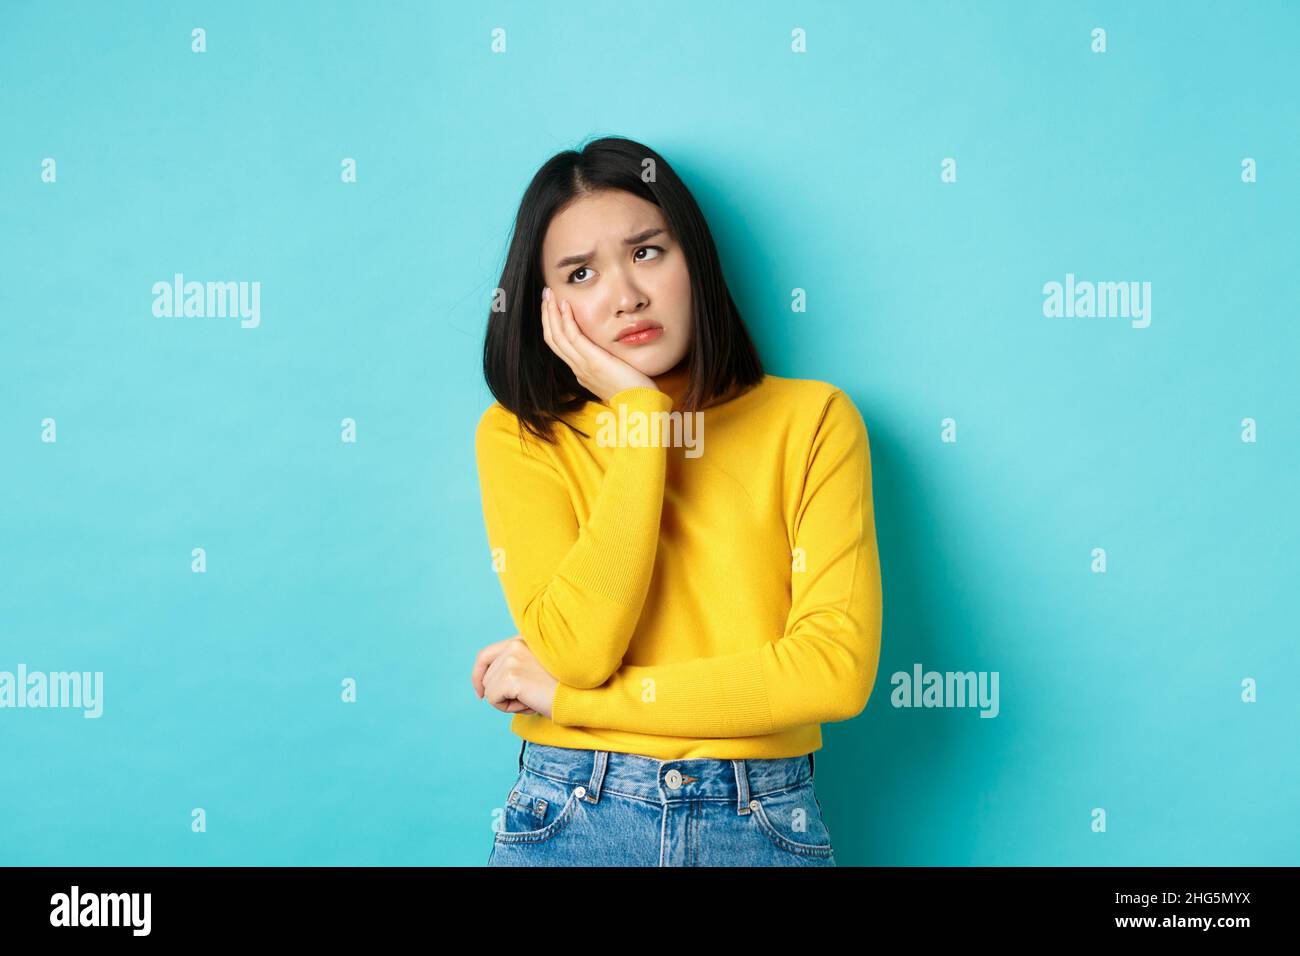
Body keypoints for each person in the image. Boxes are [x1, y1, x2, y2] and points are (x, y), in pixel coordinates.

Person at [470, 135, 883, 866]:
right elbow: (579, 651)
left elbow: (832, 673)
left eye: (647, 252)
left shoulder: (813, 421)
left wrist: (570, 702)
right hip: (570, 812)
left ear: (694, 257)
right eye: (580, 273)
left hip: (760, 820)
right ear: (547, 309)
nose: (625, 294)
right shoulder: (522, 436)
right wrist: (638, 415)